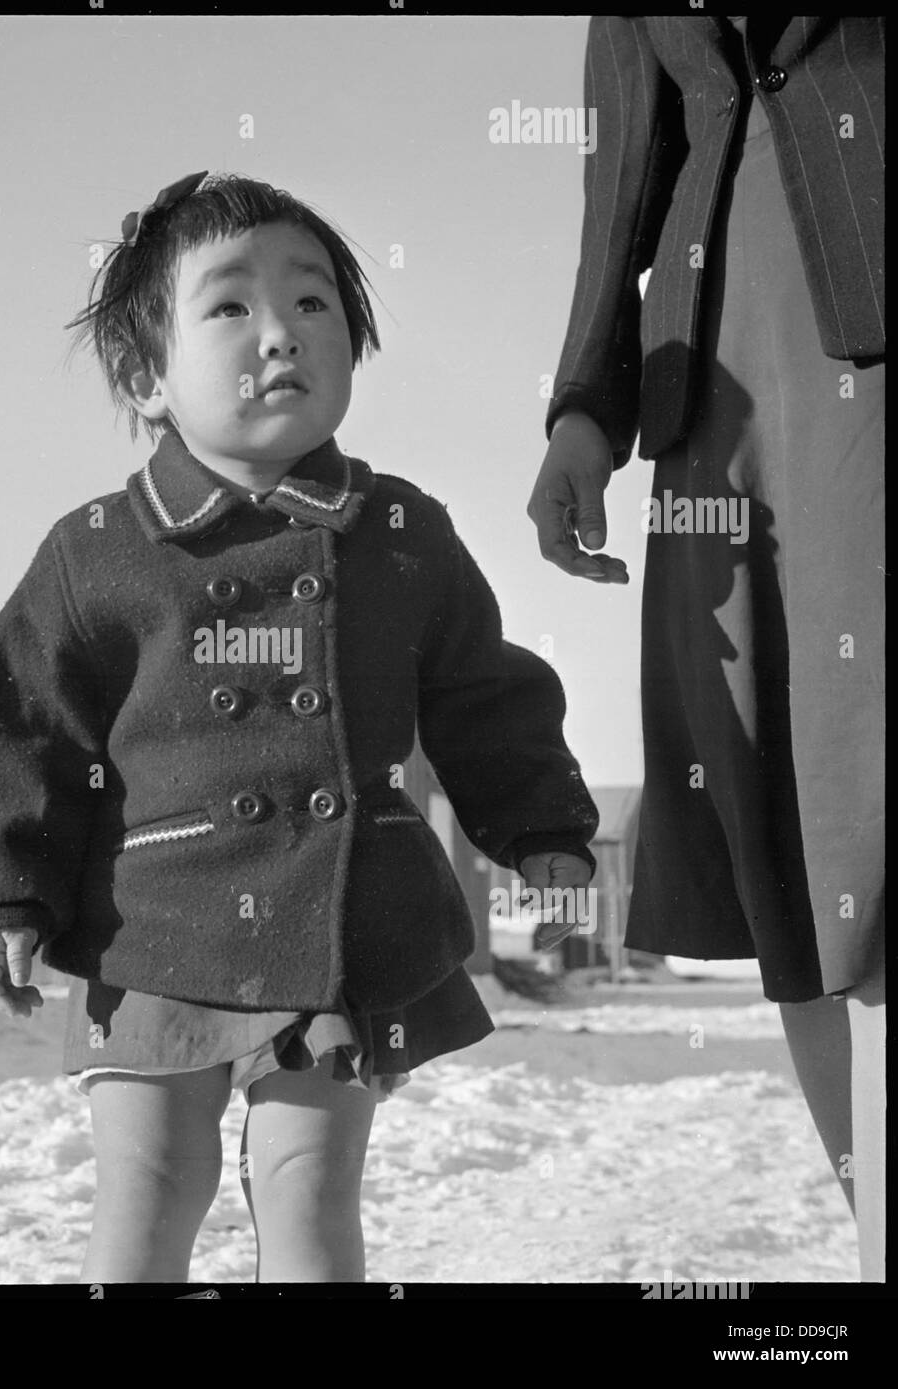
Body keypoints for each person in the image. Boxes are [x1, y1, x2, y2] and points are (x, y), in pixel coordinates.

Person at [0, 171, 599, 1284]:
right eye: (228, 307)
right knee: (150, 1190)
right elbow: (23, 728)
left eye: (312, 305)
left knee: (308, 1195)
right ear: (144, 376)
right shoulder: (97, 548)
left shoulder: (400, 530)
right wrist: (7, 892)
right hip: (149, 935)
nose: (281, 335)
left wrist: (540, 824)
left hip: (333, 932)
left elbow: (480, 695)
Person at [529, 17, 884, 1279]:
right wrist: (583, 410)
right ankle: (878, 1232)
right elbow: (619, 184)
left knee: (874, 778)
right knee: (773, 807)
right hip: (708, 387)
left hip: (872, 341)